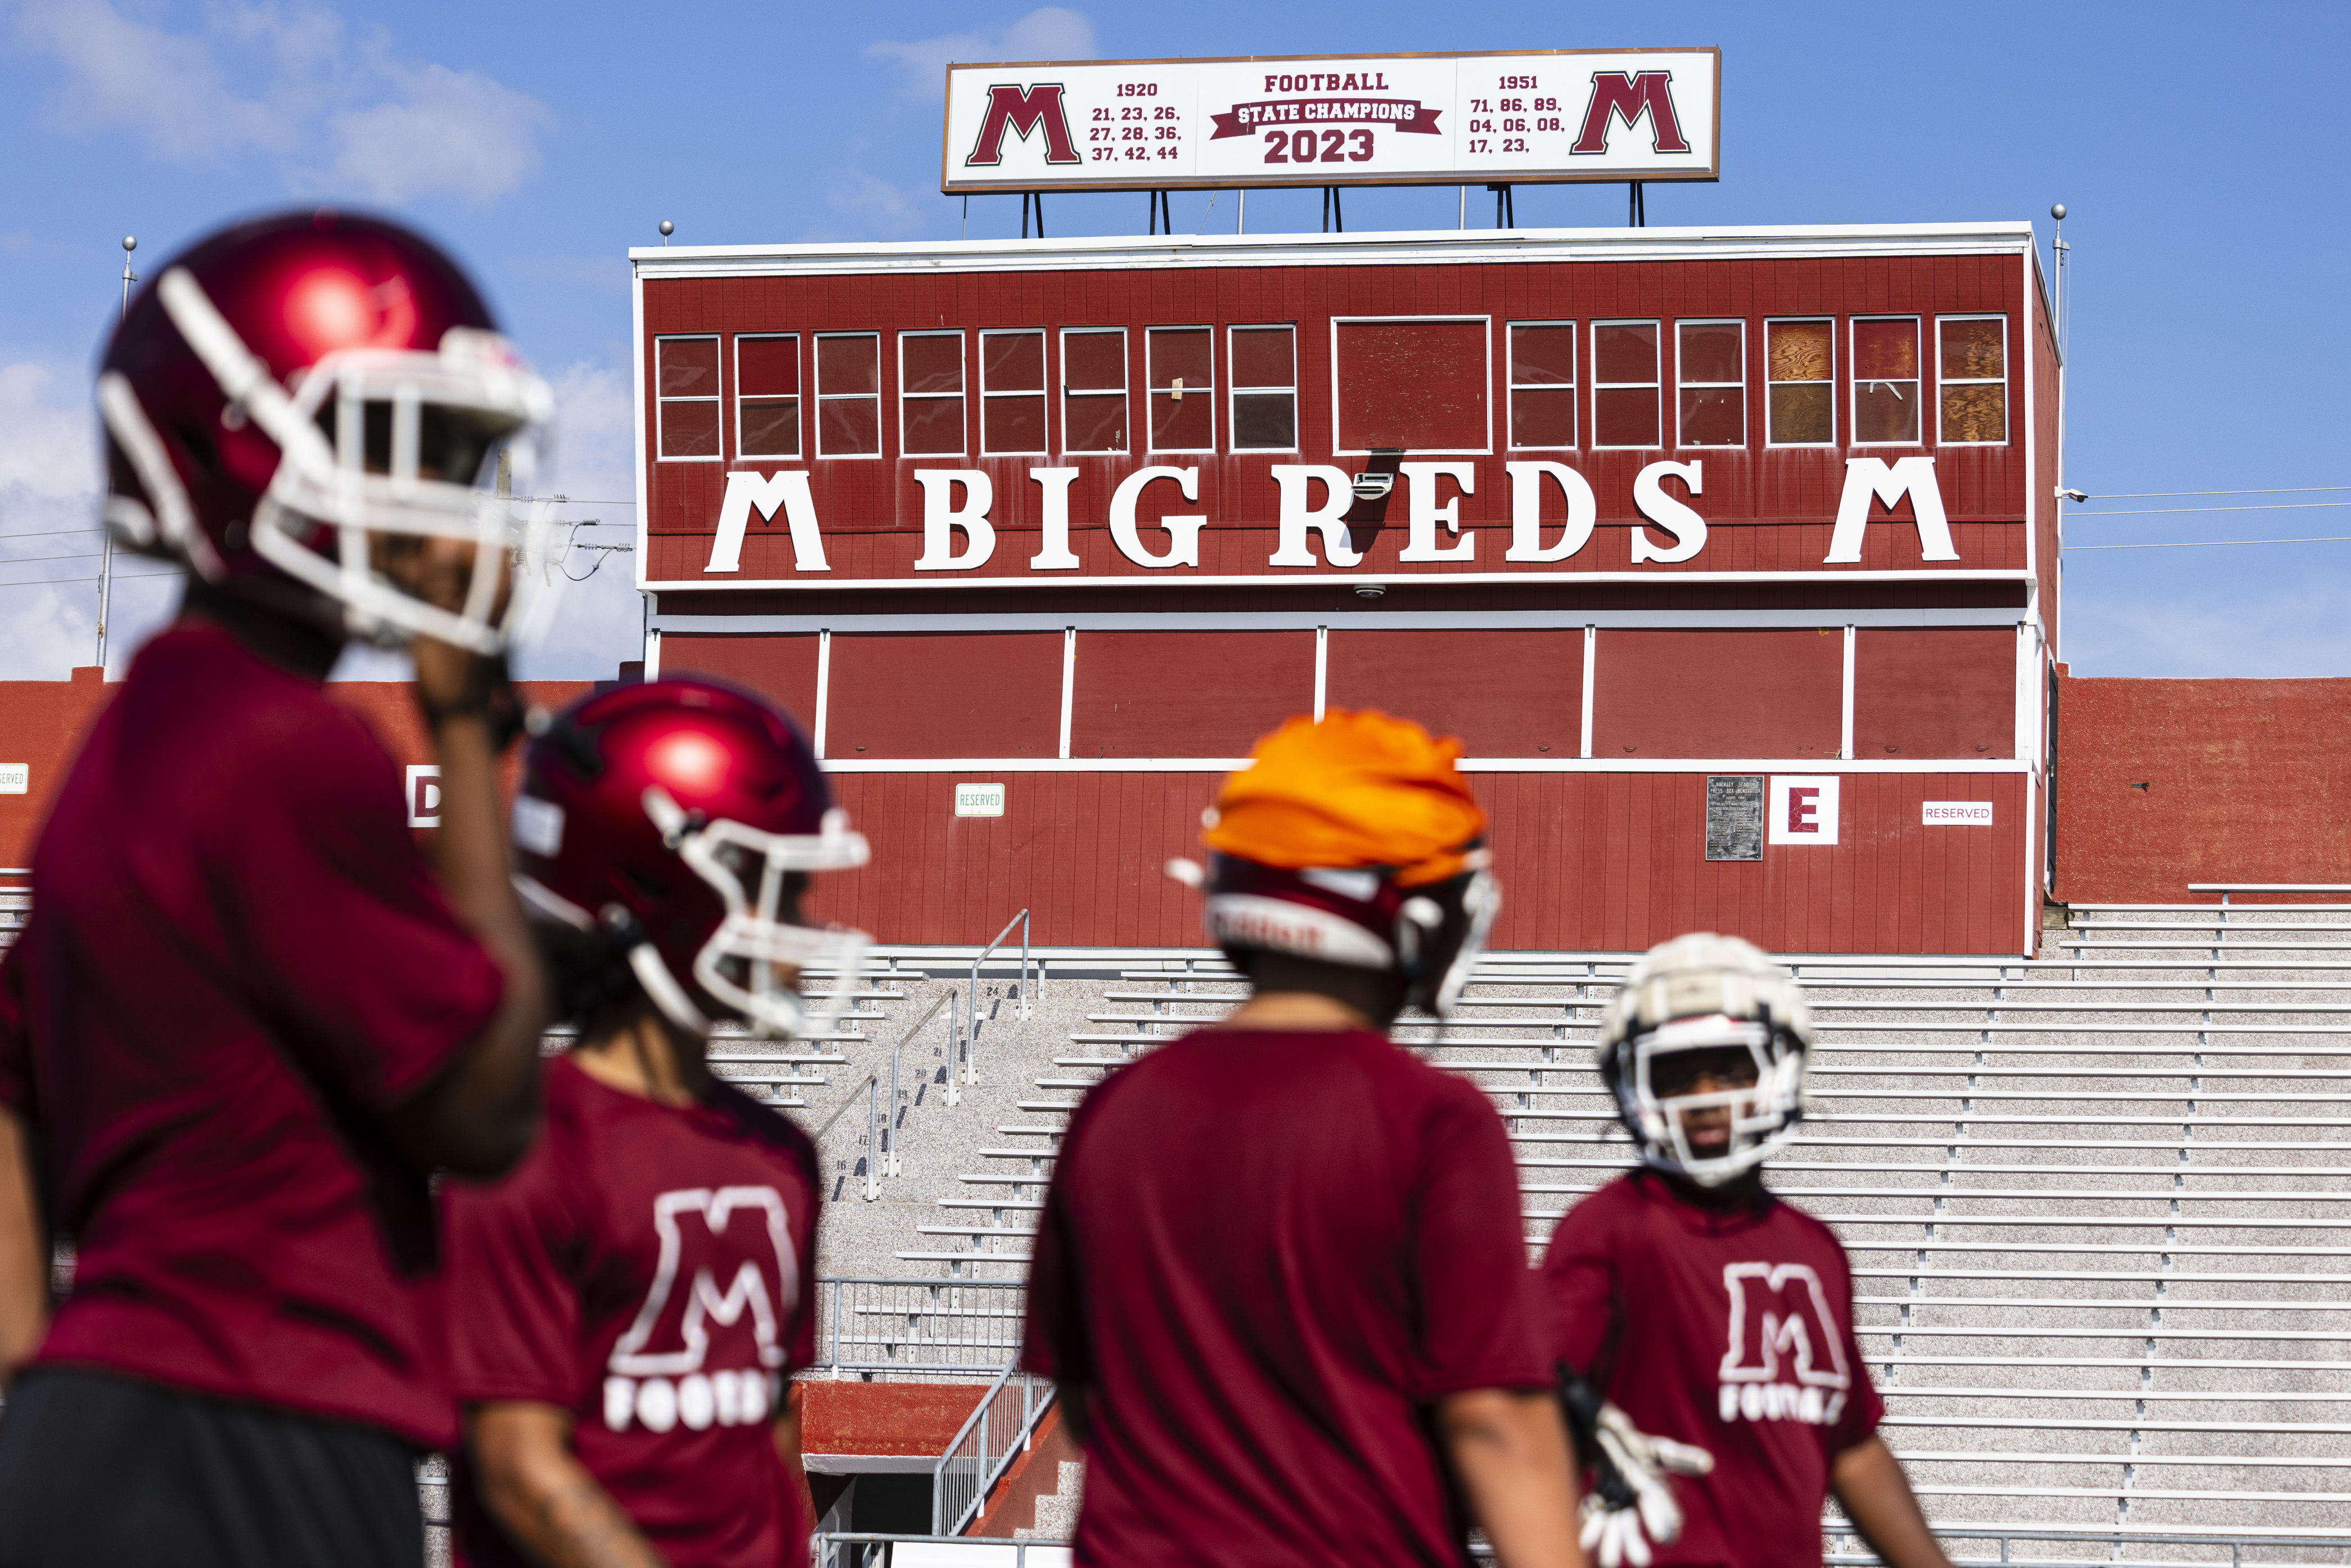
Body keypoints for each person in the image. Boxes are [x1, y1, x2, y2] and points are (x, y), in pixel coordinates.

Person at [0, 209, 557, 1566]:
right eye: (402, 451)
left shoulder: (135, 744)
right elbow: (486, 1106)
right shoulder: (286, 746)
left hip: (100, 1430)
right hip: (255, 1433)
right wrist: (472, 722)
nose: (439, 499)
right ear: (232, 442)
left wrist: (32, 1390)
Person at [1022, 709, 1583, 1568]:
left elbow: (1086, 1401)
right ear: (1411, 905)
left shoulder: (1114, 1109)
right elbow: (1492, 1419)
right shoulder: (1432, 1120)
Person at [443, 678, 871, 1568]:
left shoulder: (780, 1155)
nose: (792, 928)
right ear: (650, 885)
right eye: (768, 889)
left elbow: (770, 1427)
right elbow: (520, 1466)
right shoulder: (524, 1148)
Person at [1542, 934, 1953, 1568]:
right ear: (1633, 1086)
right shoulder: (1609, 1229)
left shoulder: (1812, 1248)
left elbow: (1848, 1443)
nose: (1706, 1094)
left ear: (1779, 1070)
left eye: (1731, 1068)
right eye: (1677, 1074)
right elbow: (1524, 1396)